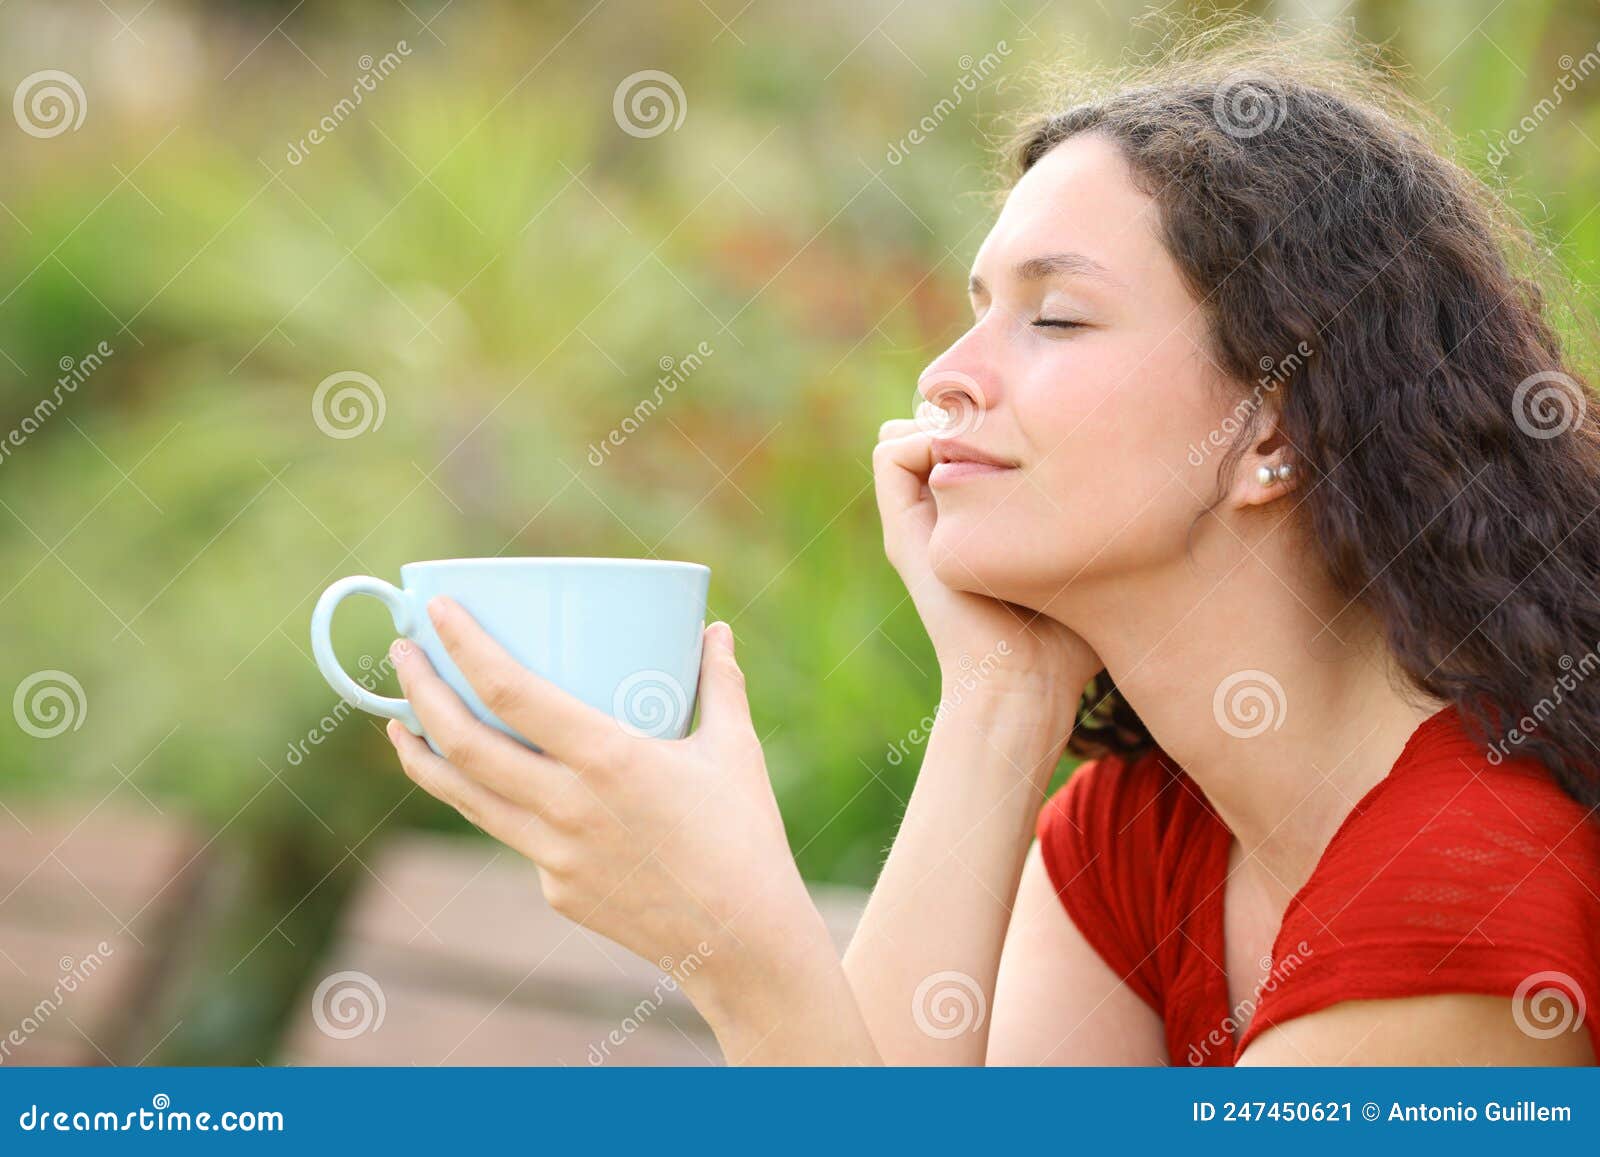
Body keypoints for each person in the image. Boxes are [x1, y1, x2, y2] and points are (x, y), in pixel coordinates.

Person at [381, 37, 1600, 1066]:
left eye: (1054, 316)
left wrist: (737, 950)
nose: (944, 379)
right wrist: (998, 699)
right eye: (975, 312)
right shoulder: (1142, 837)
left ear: (1272, 421)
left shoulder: (1463, 904)